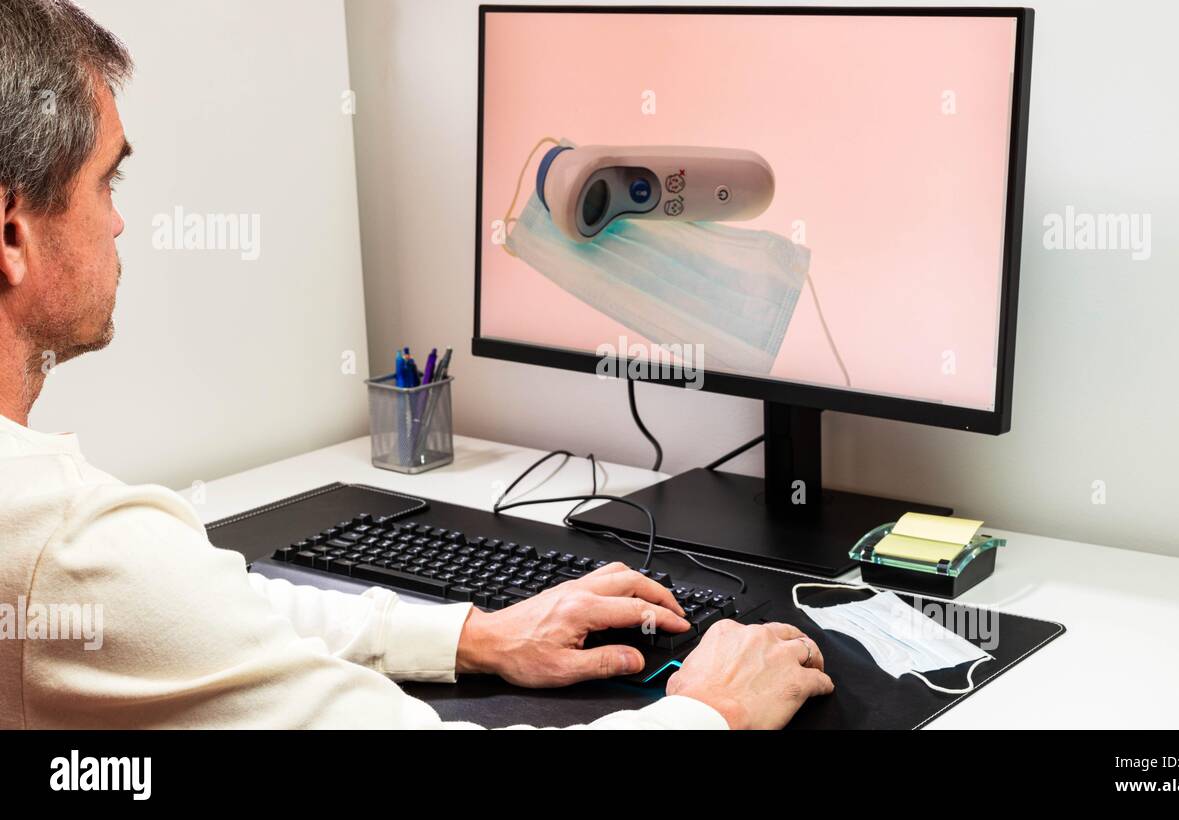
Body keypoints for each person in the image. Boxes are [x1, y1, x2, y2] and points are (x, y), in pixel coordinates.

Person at [0, 0, 833, 729]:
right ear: (12, 234)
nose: (118, 225)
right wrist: (709, 711)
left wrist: (475, 635)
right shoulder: (66, 548)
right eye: (107, 183)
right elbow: (145, 597)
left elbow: (199, 616)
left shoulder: (62, 545)